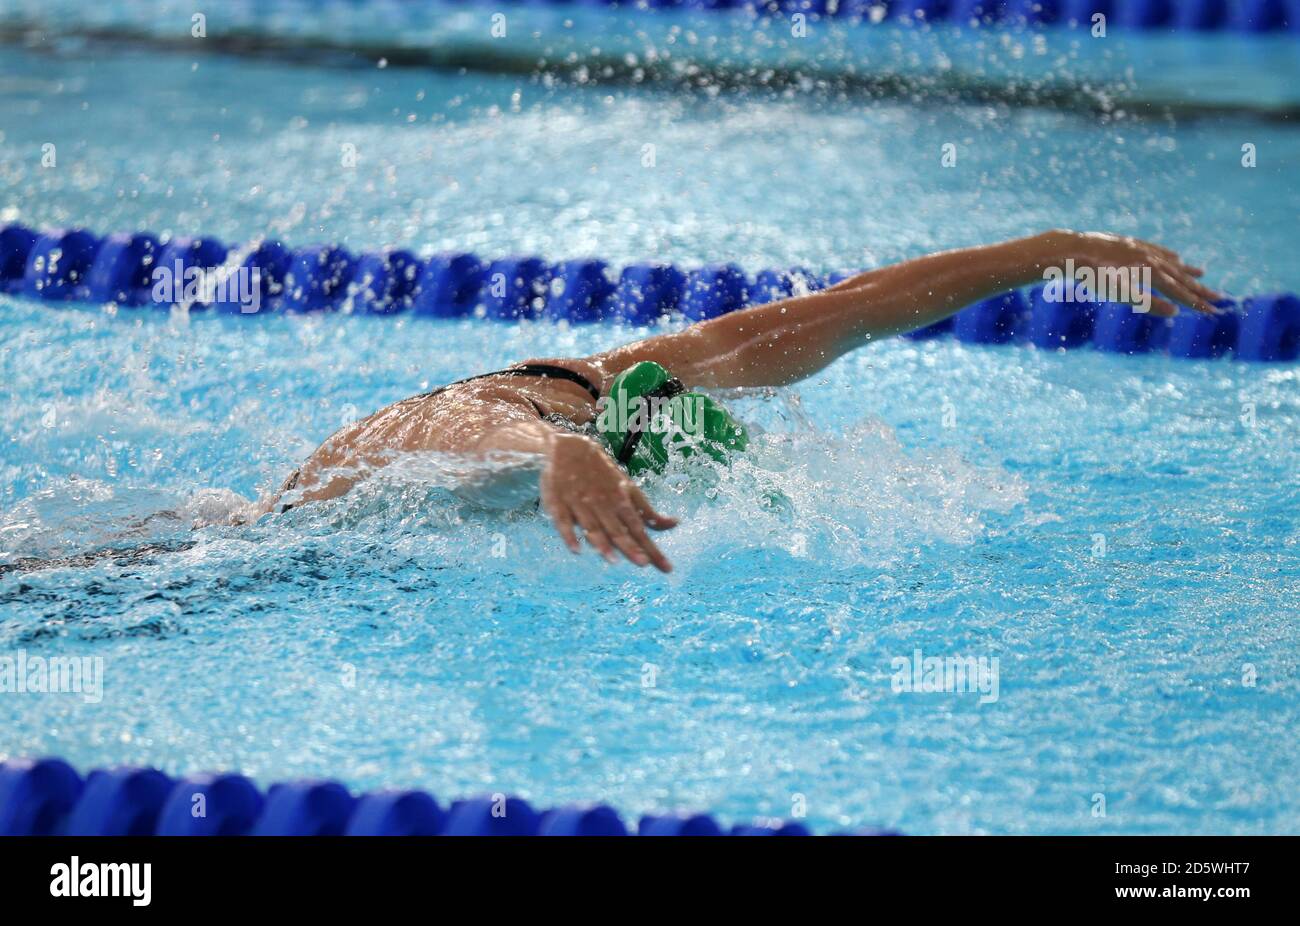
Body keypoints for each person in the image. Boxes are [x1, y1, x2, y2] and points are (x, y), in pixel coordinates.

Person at [258, 230, 1220, 573]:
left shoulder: (646, 374)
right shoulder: (504, 405)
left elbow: (853, 313)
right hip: (230, 560)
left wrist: (1046, 250)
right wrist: (556, 455)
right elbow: (474, 438)